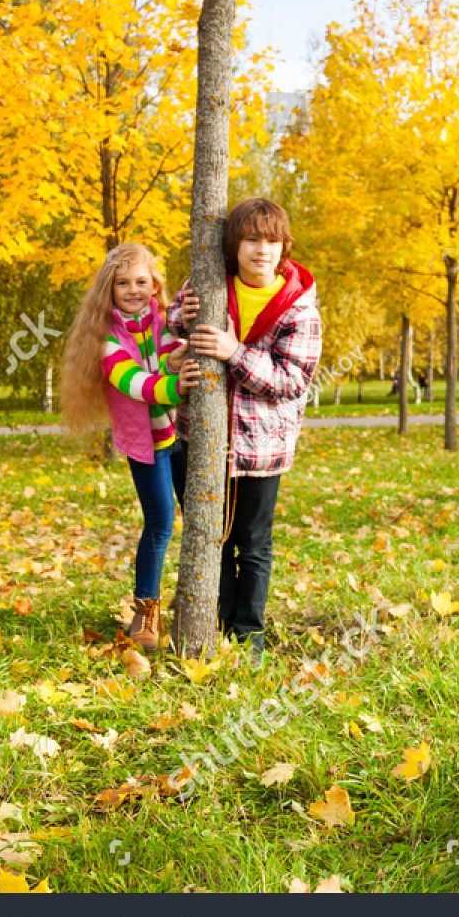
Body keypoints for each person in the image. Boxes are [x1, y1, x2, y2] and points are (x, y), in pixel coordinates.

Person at [167, 197, 322, 668]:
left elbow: (291, 381)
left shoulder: (299, 309)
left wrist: (234, 350)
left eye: (272, 241)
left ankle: (248, 635)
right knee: (211, 537)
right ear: (234, 246)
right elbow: (170, 329)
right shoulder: (208, 285)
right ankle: (215, 622)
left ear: (283, 247)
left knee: (252, 543)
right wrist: (181, 325)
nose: (262, 251)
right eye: (252, 240)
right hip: (200, 439)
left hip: (261, 449)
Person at [60, 243, 202, 652]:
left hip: (182, 434)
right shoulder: (106, 339)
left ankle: (196, 592)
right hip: (148, 447)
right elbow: (133, 382)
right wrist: (175, 385)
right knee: (159, 525)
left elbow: (172, 351)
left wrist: (180, 350)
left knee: (197, 513)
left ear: (154, 284)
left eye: (141, 281)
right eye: (122, 283)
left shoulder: (163, 319)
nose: (133, 289)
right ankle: (146, 608)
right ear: (109, 289)